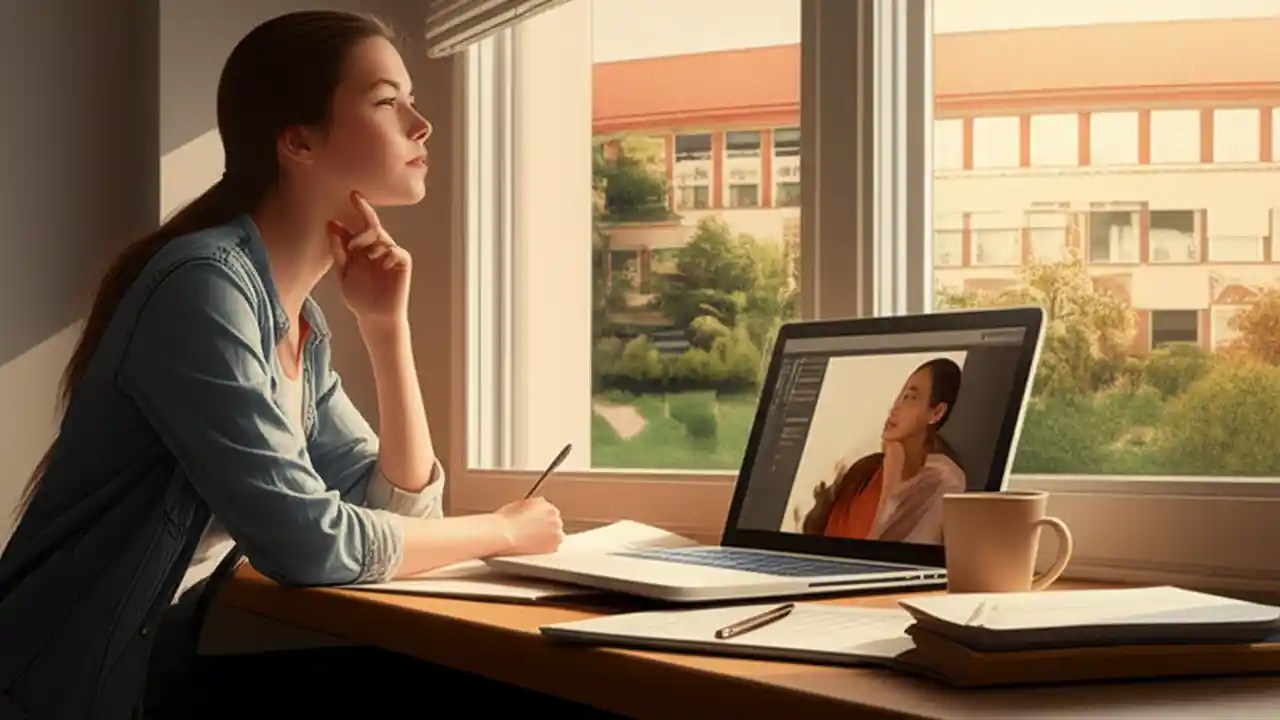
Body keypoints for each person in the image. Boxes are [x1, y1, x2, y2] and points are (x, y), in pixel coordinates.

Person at [0, 11, 578, 719]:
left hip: (158, 662)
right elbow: (311, 543)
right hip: (62, 681)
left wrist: (386, 330)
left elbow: (396, 509)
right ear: (299, 140)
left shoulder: (298, 321)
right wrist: (505, 530)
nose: (421, 124)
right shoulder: (203, 289)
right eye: (387, 101)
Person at [800, 358, 966, 544]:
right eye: (900, 396)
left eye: (910, 397)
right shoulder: (865, 470)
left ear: (937, 413)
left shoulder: (943, 481)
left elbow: (883, 556)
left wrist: (893, 470)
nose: (895, 408)